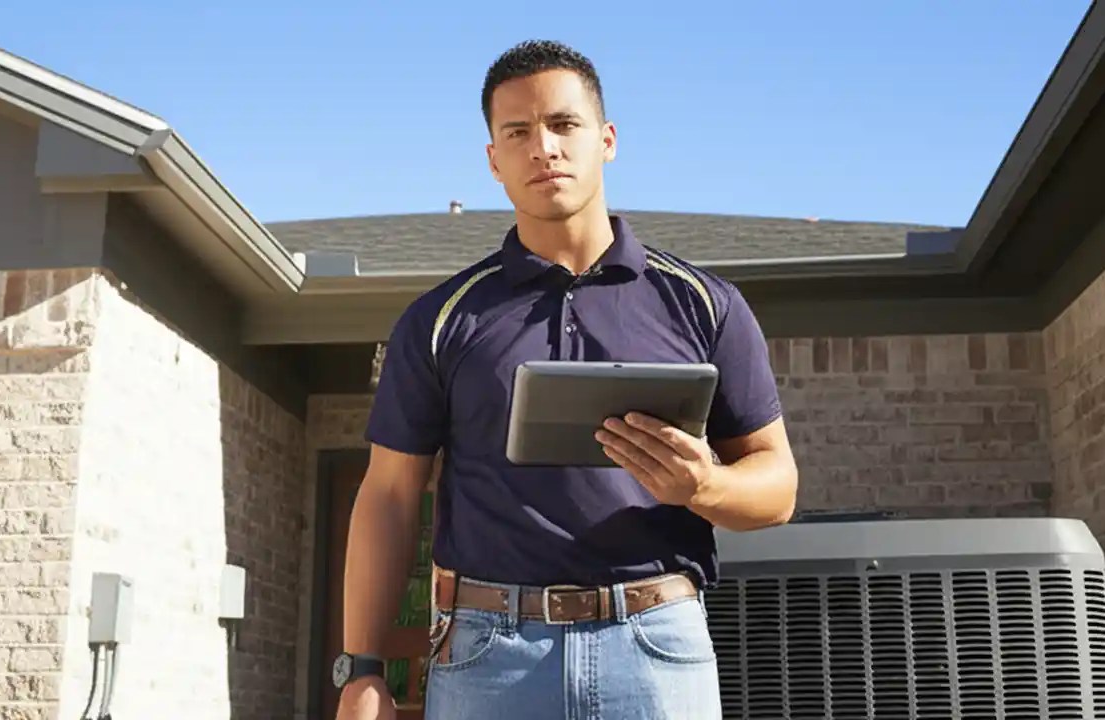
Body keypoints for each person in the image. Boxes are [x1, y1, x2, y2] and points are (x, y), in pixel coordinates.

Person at [333, 39, 799, 720]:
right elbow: (389, 495)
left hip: (659, 648)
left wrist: (704, 486)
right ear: (493, 159)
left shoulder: (705, 304)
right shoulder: (440, 320)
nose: (543, 148)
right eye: (517, 132)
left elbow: (778, 487)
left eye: (563, 124)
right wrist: (363, 670)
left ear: (606, 140)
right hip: (488, 658)